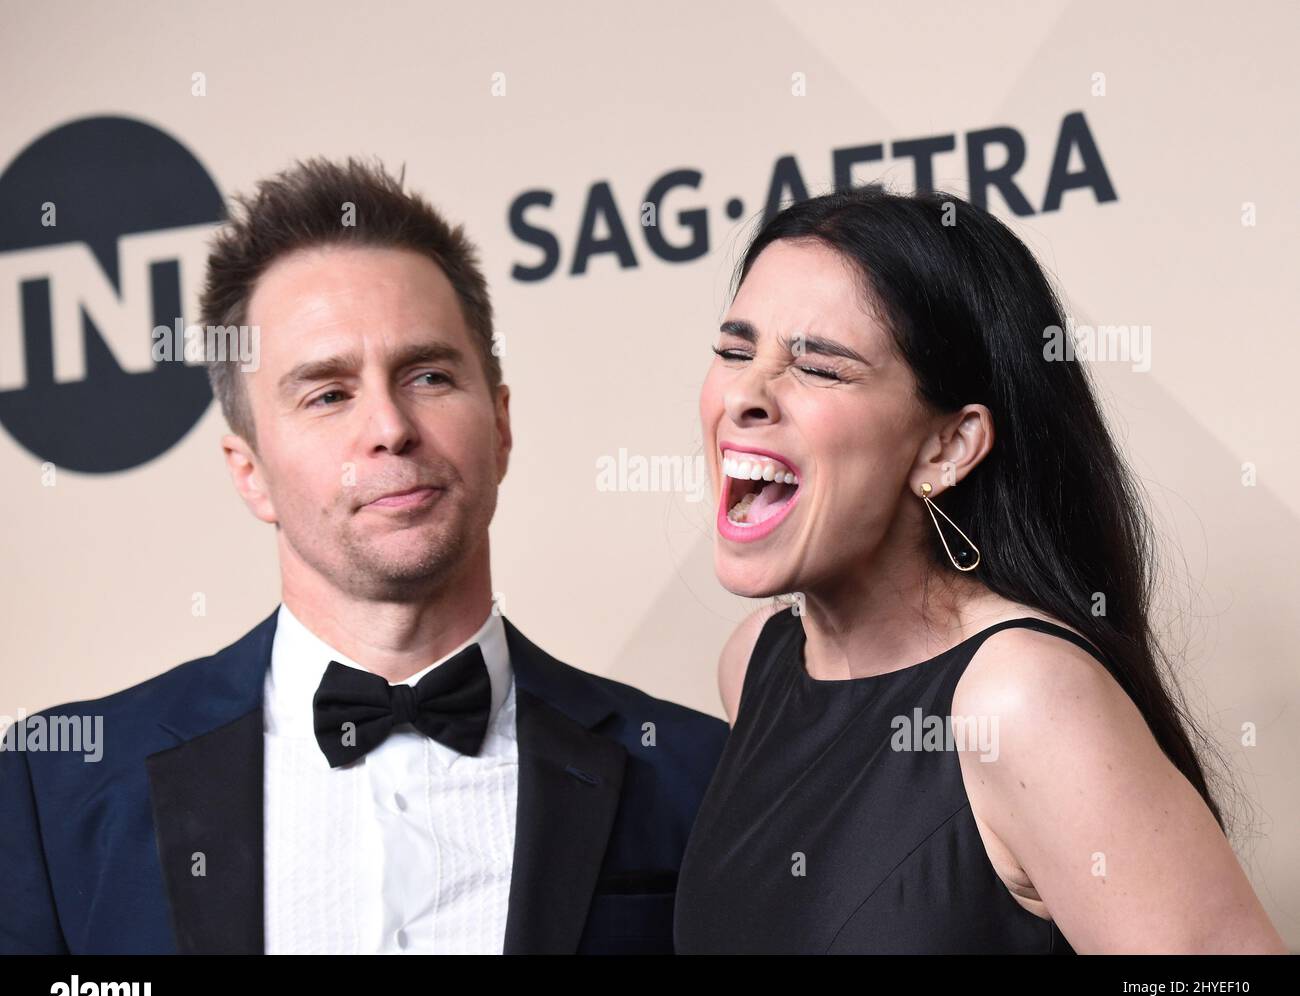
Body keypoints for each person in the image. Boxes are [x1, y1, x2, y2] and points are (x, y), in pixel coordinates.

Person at [0, 157, 728, 955]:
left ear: (501, 425)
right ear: (251, 474)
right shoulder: (55, 791)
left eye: (427, 374)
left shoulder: (698, 777)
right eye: (328, 392)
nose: (389, 425)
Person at [673, 184, 1287, 954]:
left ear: (948, 447)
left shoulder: (1021, 698)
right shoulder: (755, 663)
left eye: (820, 368)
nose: (745, 395)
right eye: (735, 351)